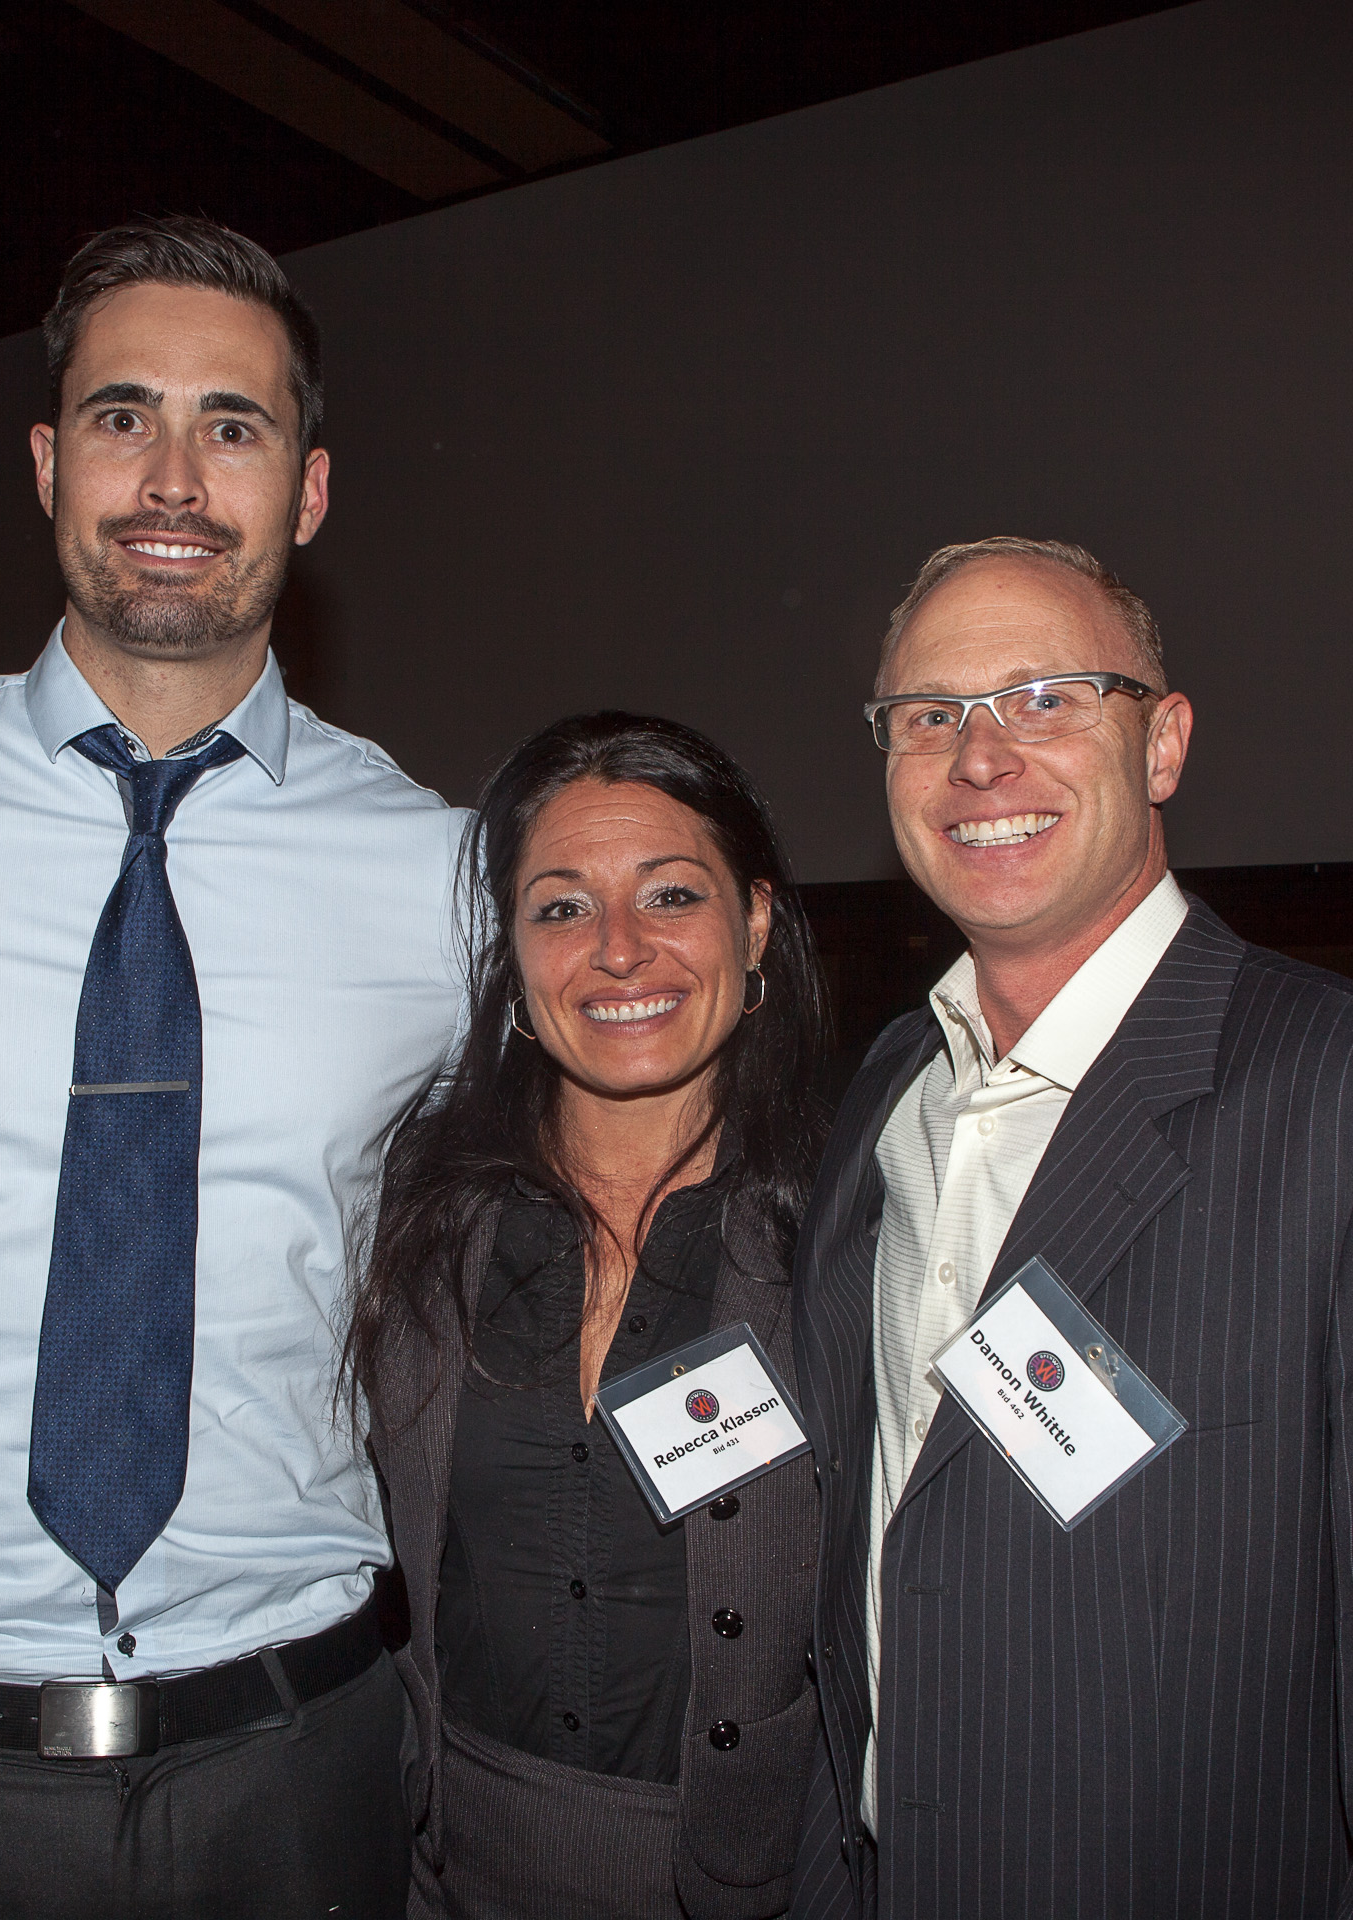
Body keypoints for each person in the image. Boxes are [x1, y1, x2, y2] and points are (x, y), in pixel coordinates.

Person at [788, 537, 1353, 1918]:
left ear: (1165, 744)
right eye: (930, 715)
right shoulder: (889, 1091)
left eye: (1047, 698)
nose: (981, 757)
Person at [0, 217, 465, 1916]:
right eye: (123, 416)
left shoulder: (442, 875)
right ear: (48, 463)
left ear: (310, 490)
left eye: (234, 426)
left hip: (295, 1753)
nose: (173, 479)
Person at [349, 712, 828, 1919]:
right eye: (562, 907)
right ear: (511, 953)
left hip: (754, 1881)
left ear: (754, 923)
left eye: (671, 896)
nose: (619, 950)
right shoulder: (417, 1231)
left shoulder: (847, 1235)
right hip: (446, 1866)